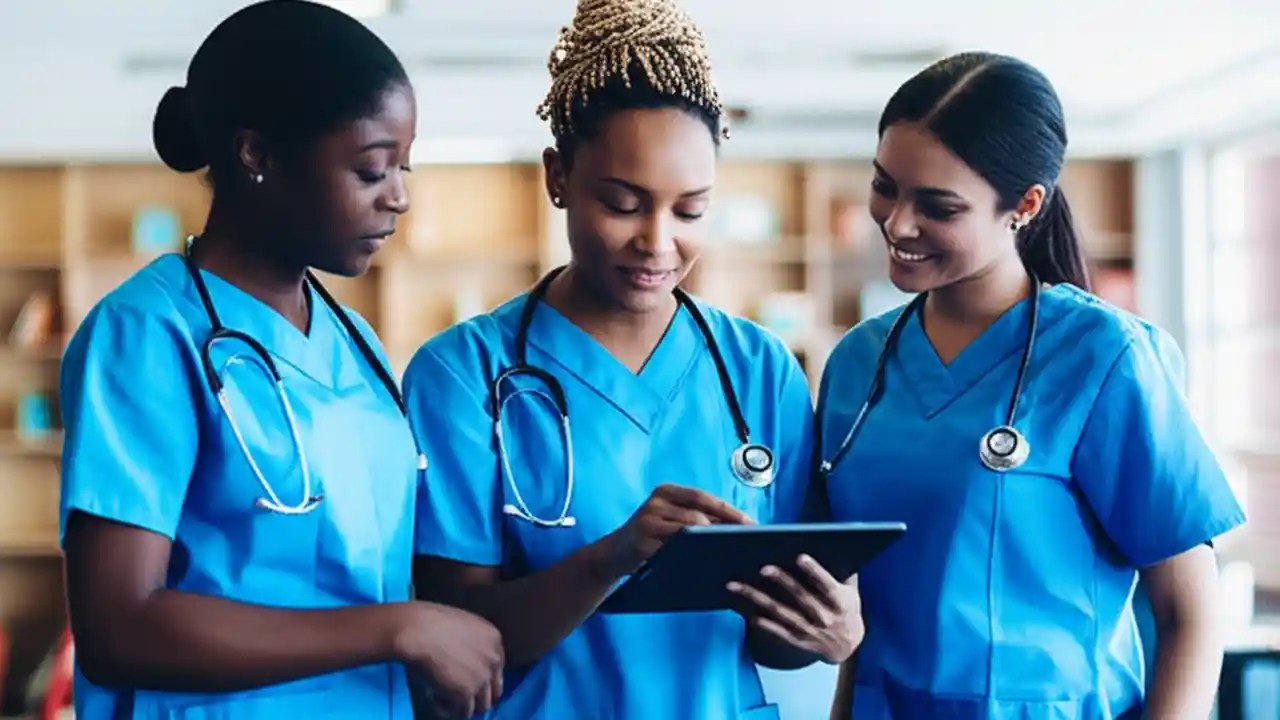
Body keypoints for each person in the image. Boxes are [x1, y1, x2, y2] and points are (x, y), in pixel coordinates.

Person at [403, 0, 861, 717]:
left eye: (690, 210)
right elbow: (459, 635)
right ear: (559, 177)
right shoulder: (465, 374)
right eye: (623, 203)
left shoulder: (758, 370)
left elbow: (774, 636)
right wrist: (613, 556)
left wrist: (825, 631)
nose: (657, 241)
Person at [57, 2, 504, 718]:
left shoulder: (354, 342)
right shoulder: (146, 333)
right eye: (371, 169)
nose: (400, 198)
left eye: (403, 168)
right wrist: (398, 629)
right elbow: (119, 625)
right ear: (256, 154)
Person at [813, 51, 1247, 719]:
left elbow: (1189, 613)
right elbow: (858, 613)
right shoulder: (856, 363)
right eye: (886, 187)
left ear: (1025, 205)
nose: (898, 224)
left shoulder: (1104, 357)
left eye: (938, 206)